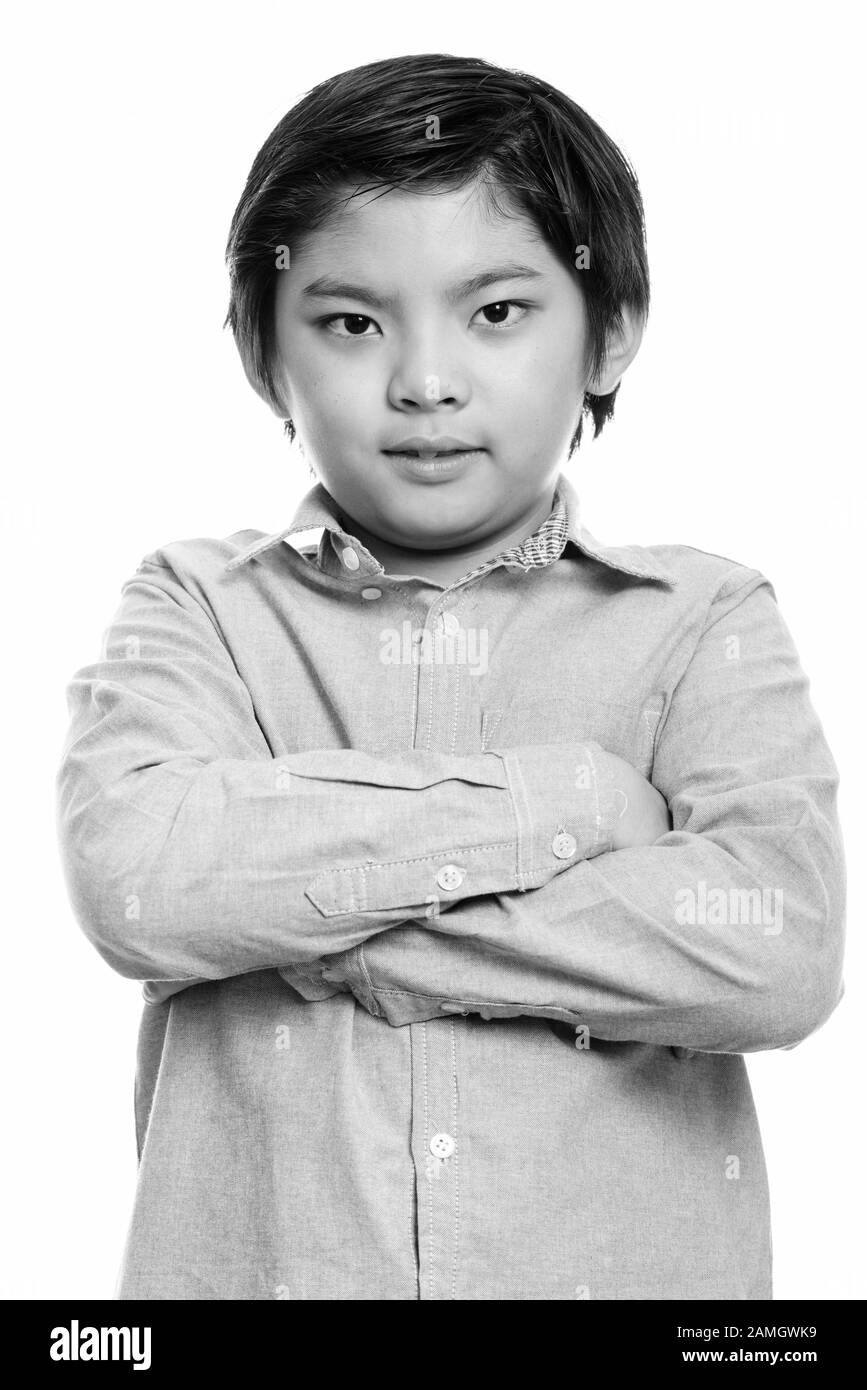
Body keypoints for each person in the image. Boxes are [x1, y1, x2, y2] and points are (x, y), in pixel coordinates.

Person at [55, 52, 846, 1300]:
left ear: (610, 330)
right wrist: (570, 807)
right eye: (352, 322)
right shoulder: (195, 605)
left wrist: (307, 923)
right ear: (266, 354)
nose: (425, 381)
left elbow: (777, 951)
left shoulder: (705, 621)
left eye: (496, 312)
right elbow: (140, 879)